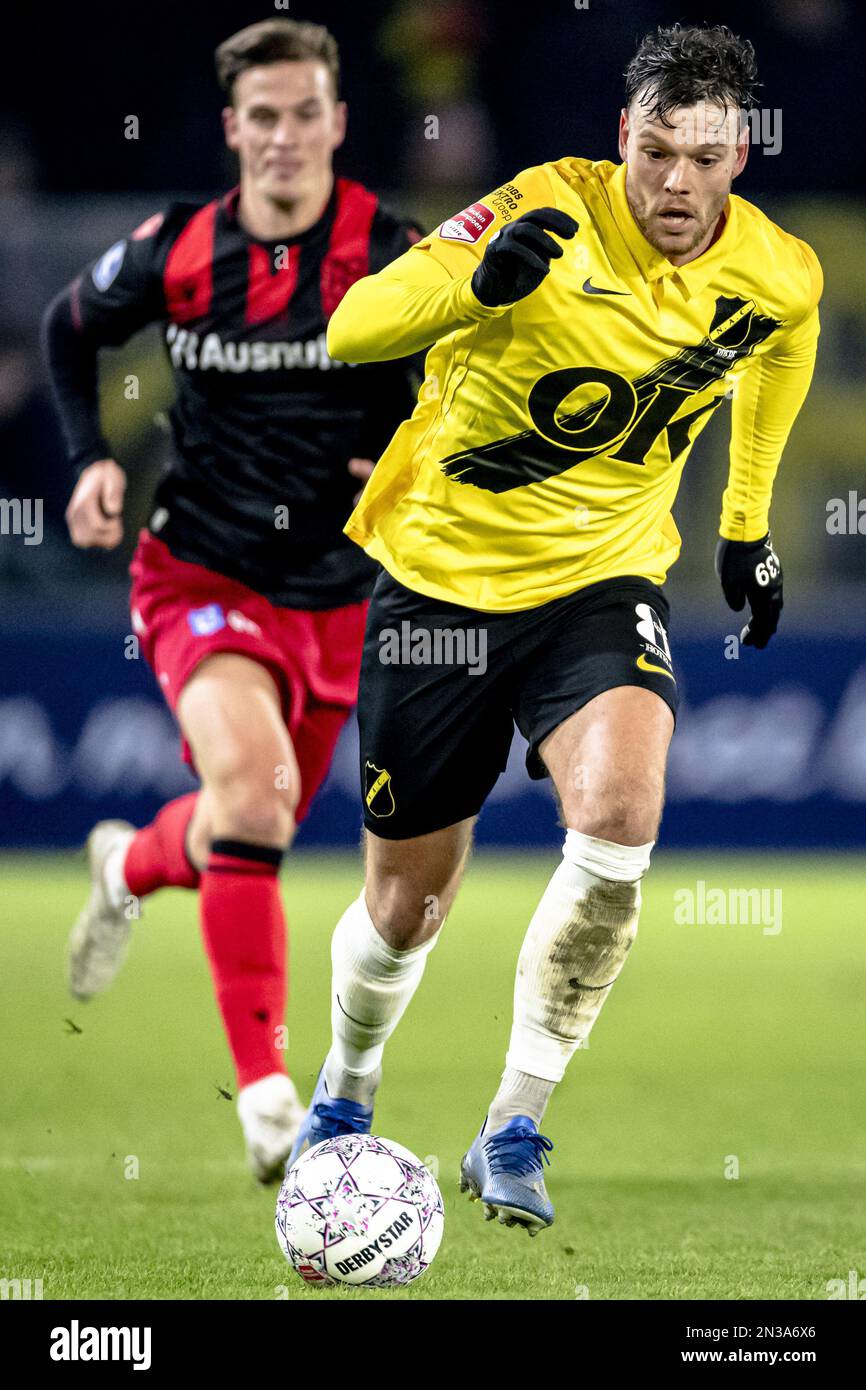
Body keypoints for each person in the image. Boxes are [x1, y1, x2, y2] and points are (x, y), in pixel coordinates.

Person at [286, 23, 822, 1235]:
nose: (674, 184)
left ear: (739, 154)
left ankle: (512, 1124)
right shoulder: (539, 211)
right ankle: (347, 1084)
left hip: (602, 581)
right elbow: (355, 324)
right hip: (436, 585)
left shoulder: (777, 269)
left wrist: (742, 526)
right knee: (403, 906)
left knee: (622, 812)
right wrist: (471, 288)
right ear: (619, 140)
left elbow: (781, 354)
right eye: (653, 153)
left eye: (702, 156)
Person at [42, 18, 422, 1181]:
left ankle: (127, 865)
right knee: (252, 813)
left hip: (339, 599)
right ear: (233, 130)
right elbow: (71, 329)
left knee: (237, 827)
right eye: (263, 116)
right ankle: (265, 1094)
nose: (285, 137)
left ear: (338, 123)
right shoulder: (179, 247)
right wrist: (88, 459)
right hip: (201, 574)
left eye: (306, 112)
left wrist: (408, 459)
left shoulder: (392, 251)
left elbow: (460, 383)